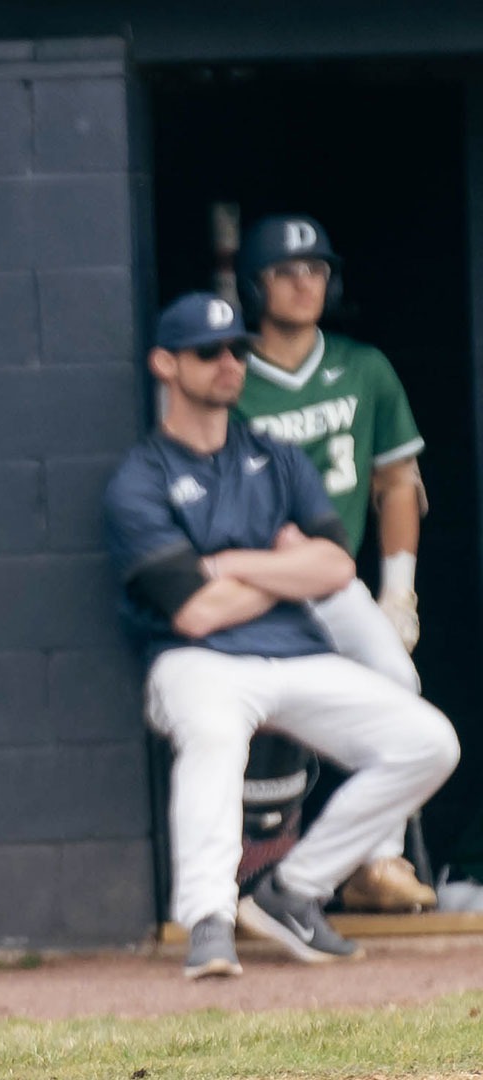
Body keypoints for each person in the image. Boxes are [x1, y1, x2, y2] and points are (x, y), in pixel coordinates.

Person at [103, 292, 459, 980]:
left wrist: (233, 563)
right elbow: (195, 614)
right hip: (195, 663)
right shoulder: (139, 480)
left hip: (294, 654)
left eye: (237, 349)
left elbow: (332, 565)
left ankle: (295, 890)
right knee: (212, 734)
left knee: (429, 742)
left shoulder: (279, 457)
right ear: (165, 364)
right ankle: (208, 917)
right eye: (209, 352)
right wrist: (283, 565)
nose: (229, 363)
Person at [230, 213, 438, 913]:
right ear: (255, 284)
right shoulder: (230, 374)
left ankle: (373, 863)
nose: (303, 283)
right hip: (257, 584)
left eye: (315, 270)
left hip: (336, 582)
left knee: (397, 684)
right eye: (286, 272)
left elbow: (397, 485)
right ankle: (229, 883)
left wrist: (398, 594)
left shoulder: (363, 366)